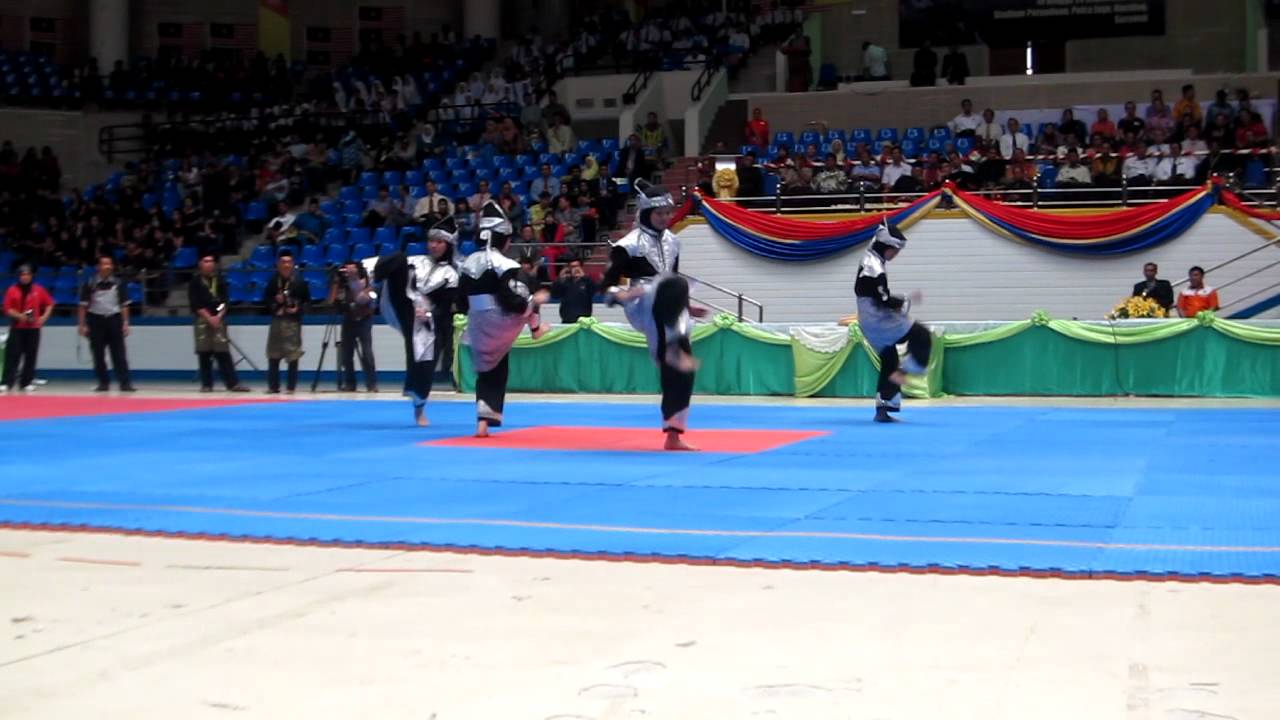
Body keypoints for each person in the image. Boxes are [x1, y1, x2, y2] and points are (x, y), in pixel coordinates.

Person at [602, 181, 707, 451]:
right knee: (669, 285)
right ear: (646, 213)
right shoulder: (627, 245)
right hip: (642, 303)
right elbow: (608, 283)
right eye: (658, 214)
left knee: (681, 375)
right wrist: (621, 294)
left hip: (669, 303)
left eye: (667, 213)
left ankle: (674, 434)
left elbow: (673, 280)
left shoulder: (674, 242)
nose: (664, 218)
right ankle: (669, 350)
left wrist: (688, 306)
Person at [458, 200, 550, 437]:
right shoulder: (506, 265)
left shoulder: (466, 263)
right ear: (505, 240)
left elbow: (459, 300)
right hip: (499, 319)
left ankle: (483, 418)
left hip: (476, 323)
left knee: (489, 369)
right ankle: (537, 329)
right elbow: (513, 300)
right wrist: (532, 304)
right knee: (531, 293)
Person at [368, 216, 460, 426]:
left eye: (439, 242)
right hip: (403, 306)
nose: (434, 246)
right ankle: (362, 275)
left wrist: (428, 314)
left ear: (448, 245)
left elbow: (445, 308)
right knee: (398, 258)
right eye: (431, 241)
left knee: (424, 361)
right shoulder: (416, 260)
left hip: (428, 321)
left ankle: (419, 406)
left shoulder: (451, 274)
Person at [854, 221, 931, 423]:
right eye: (894, 250)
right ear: (885, 247)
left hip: (868, 321)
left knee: (889, 360)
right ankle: (907, 370)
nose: (896, 255)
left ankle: (883, 408)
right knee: (921, 335)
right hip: (877, 319)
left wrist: (901, 301)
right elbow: (884, 300)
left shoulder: (871, 260)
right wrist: (906, 300)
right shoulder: (874, 268)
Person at [189, 253, 249, 392]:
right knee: (204, 353)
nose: (209, 264)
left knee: (223, 352)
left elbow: (224, 302)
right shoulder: (195, 282)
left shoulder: (220, 280)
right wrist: (209, 317)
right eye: (206, 261)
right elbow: (195, 303)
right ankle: (207, 384)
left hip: (218, 319)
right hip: (202, 319)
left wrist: (219, 315)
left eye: (211, 261)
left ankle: (232, 383)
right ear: (200, 264)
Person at [77, 255, 134, 392]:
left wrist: (126, 323)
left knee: (119, 354)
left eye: (109, 264)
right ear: (98, 267)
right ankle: (103, 383)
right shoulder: (90, 283)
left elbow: (124, 305)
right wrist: (82, 324)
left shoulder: (119, 283)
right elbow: (83, 306)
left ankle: (124, 383)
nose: (107, 266)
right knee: (98, 354)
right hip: (96, 320)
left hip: (114, 319)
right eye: (104, 264)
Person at [1, 265, 53, 393]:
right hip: (17, 327)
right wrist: (20, 316)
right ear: (19, 276)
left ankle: (26, 382)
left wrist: (43, 318)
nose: (25, 277)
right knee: (12, 355)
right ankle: (7, 382)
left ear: (31, 276)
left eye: (27, 274)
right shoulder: (12, 290)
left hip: (33, 328)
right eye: (23, 275)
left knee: (31, 355)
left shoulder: (38, 290)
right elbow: (7, 308)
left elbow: (49, 303)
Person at [263, 250, 309, 393]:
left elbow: (307, 302)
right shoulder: (273, 281)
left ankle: (290, 387)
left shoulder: (300, 282)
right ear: (278, 264)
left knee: (293, 355)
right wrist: (275, 305)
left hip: (292, 322)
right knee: (273, 354)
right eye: (283, 262)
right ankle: (273, 386)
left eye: (289, 262)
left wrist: (297, 308)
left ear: (293, 264)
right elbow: (266, 300)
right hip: (277, 320)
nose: (286, 265)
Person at [329, 260, 378, 393]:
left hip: (364, 319)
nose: (350, 272)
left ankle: (371, 384)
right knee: (347, 353)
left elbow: (370, 298)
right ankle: (350, 383)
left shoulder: (365, 280)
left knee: (367, 353)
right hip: (348, 319)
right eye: (347, 269)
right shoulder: (342, 283)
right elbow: (332, 300)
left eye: (352, 269)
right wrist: (336, 282)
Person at [551, 255, 596, 324]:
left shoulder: (587, 281)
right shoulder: (564, 282)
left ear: (581, 267)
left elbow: (594, 291)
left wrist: (584, 277)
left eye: (576, 266)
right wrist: (559, 279)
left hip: (584, 322)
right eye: (572, 267)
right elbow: (555, 295)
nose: (575, 269)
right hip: (567, 320)